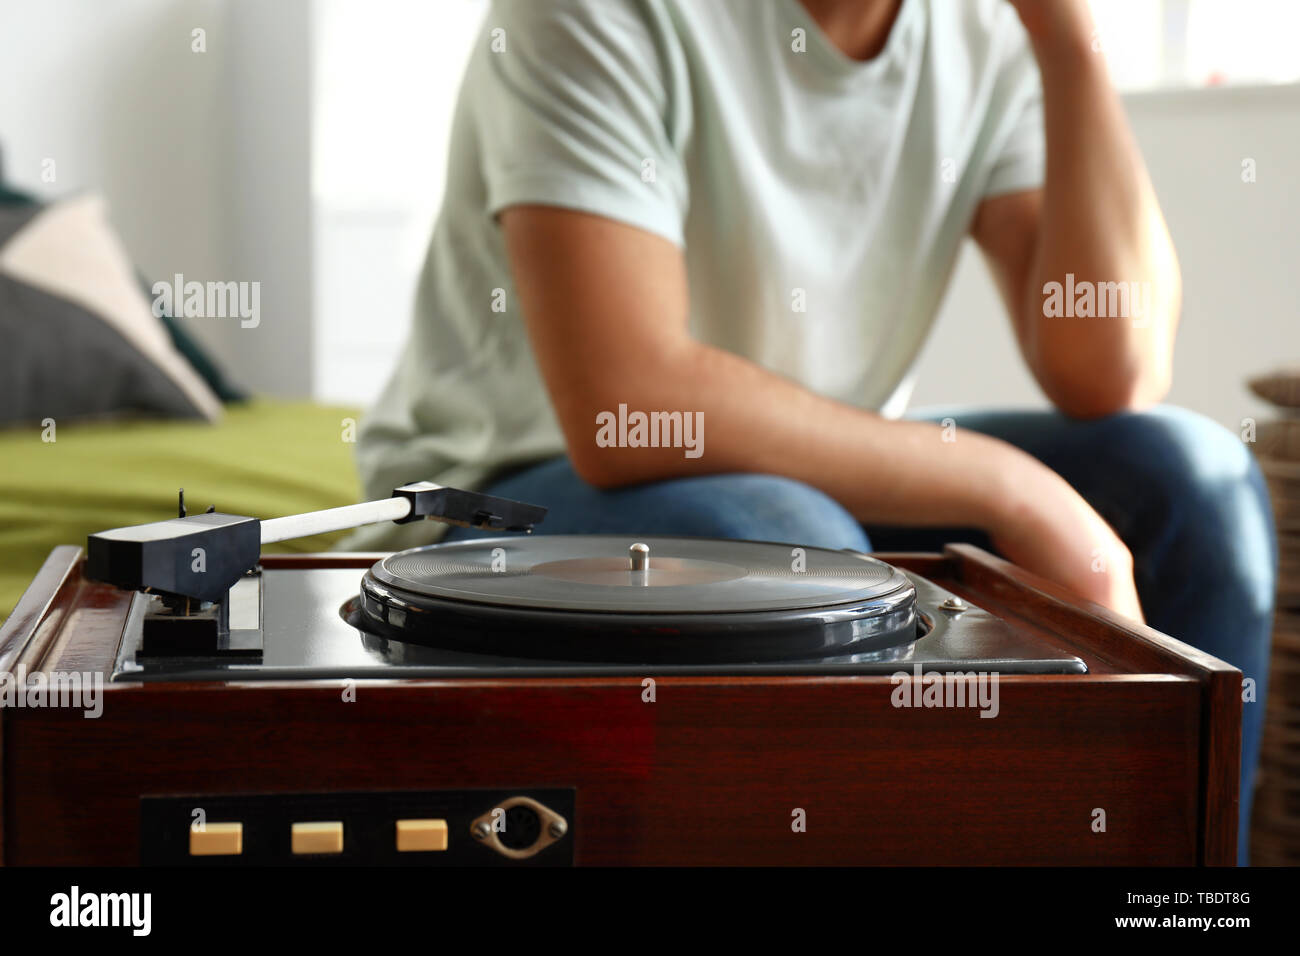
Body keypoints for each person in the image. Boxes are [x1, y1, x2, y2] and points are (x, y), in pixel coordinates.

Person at [345, 0, 1275, 864]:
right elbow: (625, 407)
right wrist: (1010, 486)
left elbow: (1108, 364)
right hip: (495, 504)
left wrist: (1071, 41)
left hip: (805, 479)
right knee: (798, 545)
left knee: (1188, 477)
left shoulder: (978, 34)